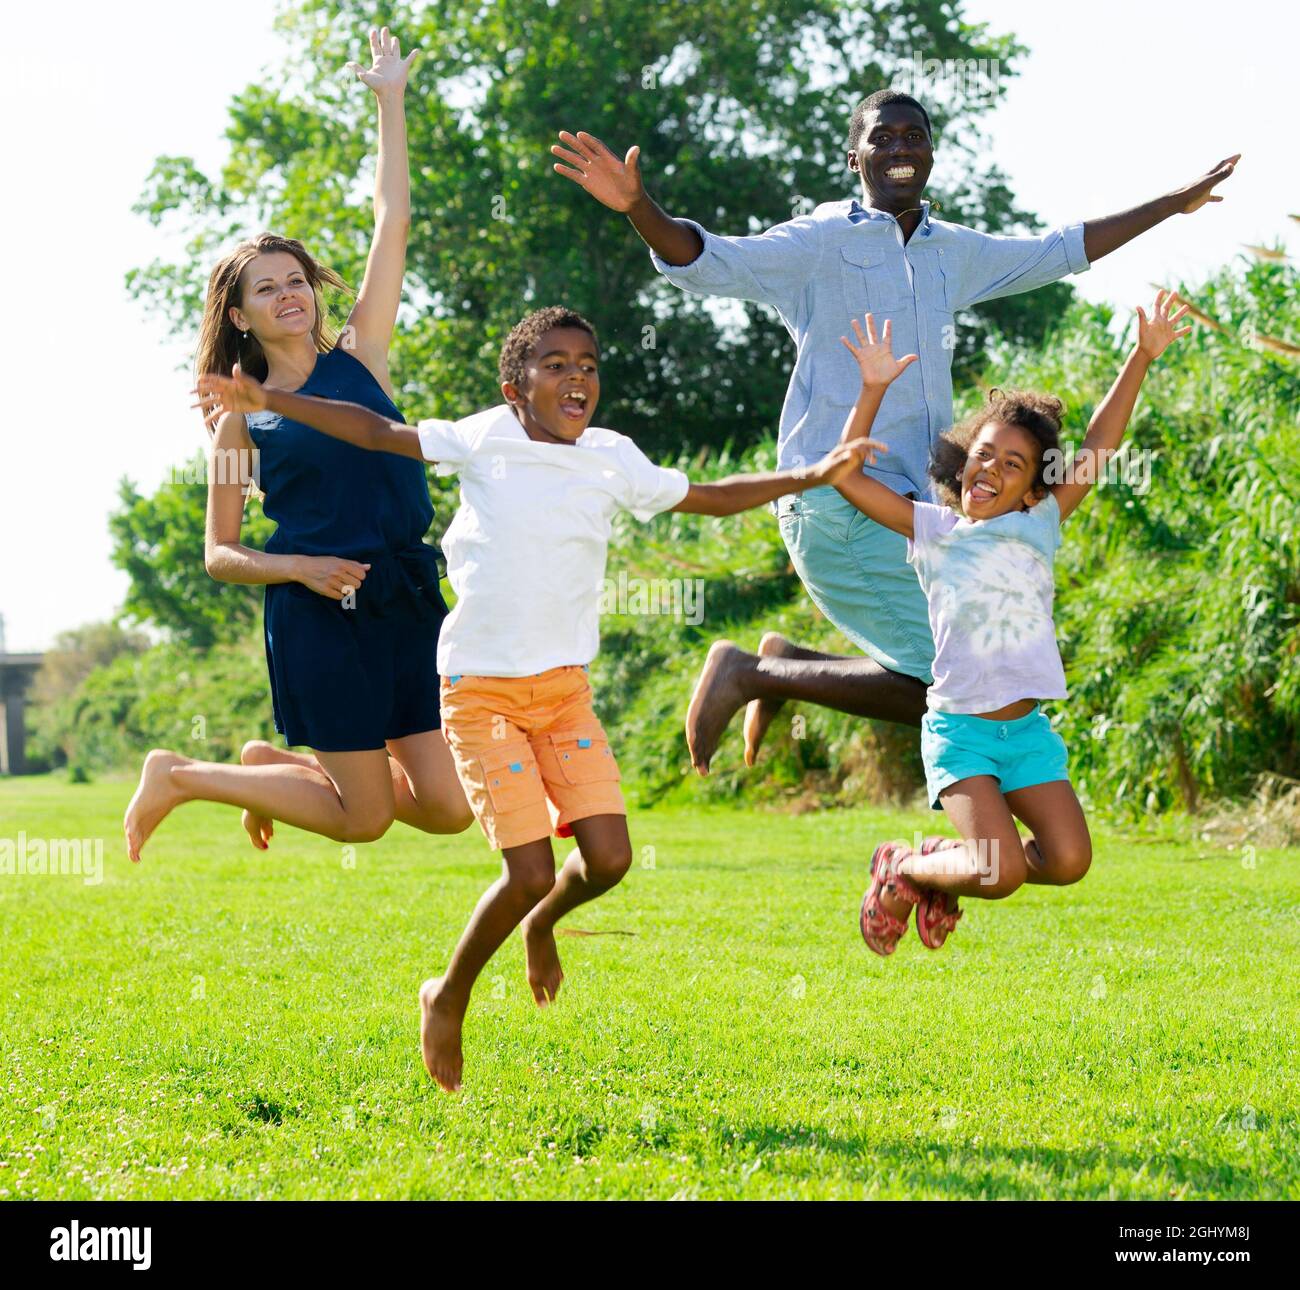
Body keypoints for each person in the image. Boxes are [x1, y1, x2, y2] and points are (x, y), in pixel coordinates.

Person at [194, 305, 881, 1090]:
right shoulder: (485, 437)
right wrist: (271, 400)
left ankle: (544, 924)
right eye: (554, 364)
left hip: (563, 693)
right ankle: (446, 994)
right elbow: (376, 432)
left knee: (612, 858)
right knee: (524, 872)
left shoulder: (612, 457)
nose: (576, 376)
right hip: (481, 691)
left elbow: (713, 494)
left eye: (587, 363)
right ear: (514, 386)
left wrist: (811, 474)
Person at [551, 90, 1239, 773]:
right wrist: (641, 207)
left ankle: (781, 668)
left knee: (961, 679)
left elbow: (1059, 250)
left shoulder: (951, 251)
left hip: (918, 512)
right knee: (953, 684)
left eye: (915, 136)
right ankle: (755, 674)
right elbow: (708, 258)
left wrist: (1171, 203)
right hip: (838, 498)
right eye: (884, 138)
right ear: (855, 156)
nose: (902, 148)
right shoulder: (820, 242)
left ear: (932, 153)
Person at [124, 28, 473, 863]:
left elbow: (393, 222)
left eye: (295, 282)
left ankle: (270, 771)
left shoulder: (362, 358)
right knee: (364, 819)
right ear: (239, 316)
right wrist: (302, 568)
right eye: (266, 288)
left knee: (452, 808)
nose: (288, 296)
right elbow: (221, 553)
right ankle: (181, 774)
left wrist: (390, 99)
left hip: (407, 599)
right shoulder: (239, 420)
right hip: (320, 614)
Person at [828, 294, 1190, 954]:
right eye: (983, 454)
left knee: (1068, 861)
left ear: (1033, 488)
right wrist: (872, 390)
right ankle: (905, 868)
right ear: (965, 460)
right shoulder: (934, 529)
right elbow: (845, 476)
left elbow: (1101, 443)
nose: (989, 469)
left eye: (1011, 463)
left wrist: (1141, 354)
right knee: (999, 874)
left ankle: (944, 867)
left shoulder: (1041, 522)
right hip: (961, 733)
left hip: (1025, 735)